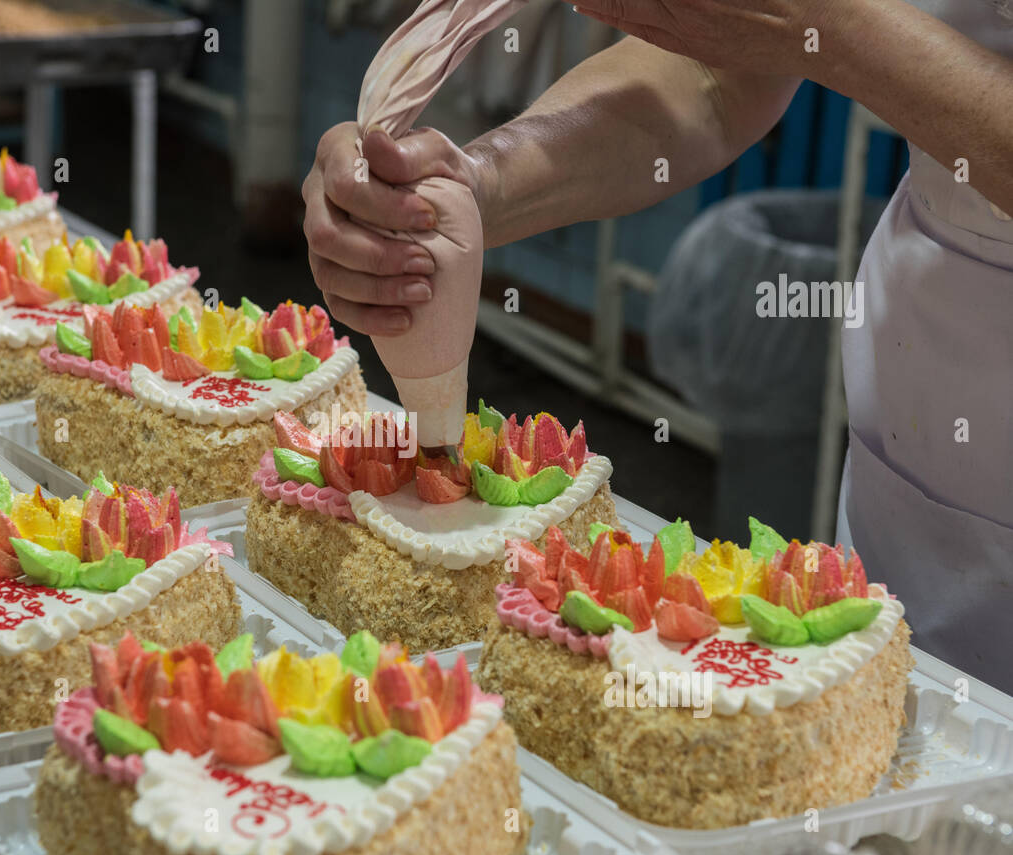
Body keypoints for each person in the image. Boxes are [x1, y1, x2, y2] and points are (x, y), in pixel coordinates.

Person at [302, 0, 1013, 691]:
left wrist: (835, 29)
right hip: (916, 420)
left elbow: (807, 27)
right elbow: (716, 76)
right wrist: (471, 187)